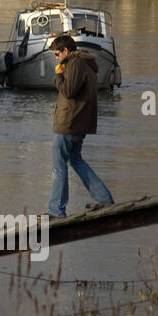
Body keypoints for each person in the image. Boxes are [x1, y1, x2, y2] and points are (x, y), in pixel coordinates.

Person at [48, 35, 115, 218]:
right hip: (79, 123)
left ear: (66, 51)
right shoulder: (85, 64)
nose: (56, 58)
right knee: (75, 160)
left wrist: (58, 76)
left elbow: (69, 91)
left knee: (58, 165)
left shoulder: (75, 64)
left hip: (69, 123)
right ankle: (103, 199)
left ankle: (56, 211)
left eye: (57, 54)